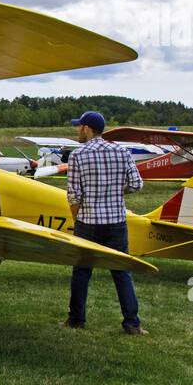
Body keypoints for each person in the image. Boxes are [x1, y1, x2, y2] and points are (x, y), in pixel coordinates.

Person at [62, 111, 147, 335]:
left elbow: (73, 195)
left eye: (79, 127)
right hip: (116, 221)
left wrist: (77, 218)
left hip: (88, 222)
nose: (78, 131)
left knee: (81, 272)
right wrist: (116, 192)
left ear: (87, 129)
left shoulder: (78, 155)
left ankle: (76, 319)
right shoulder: (122, 152)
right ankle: (132, 323)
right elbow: (137, 184)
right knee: (121, 272)